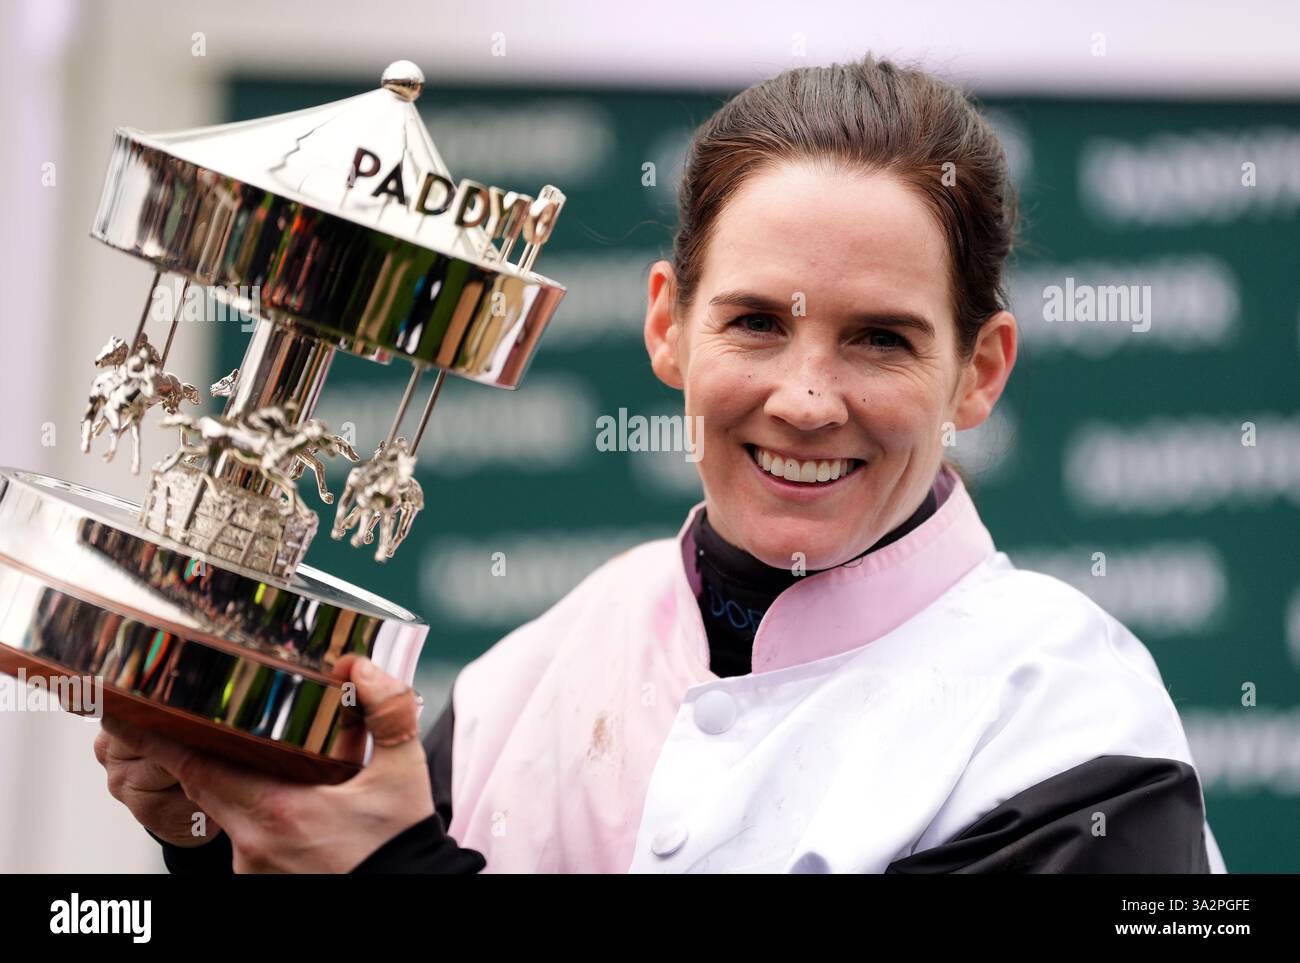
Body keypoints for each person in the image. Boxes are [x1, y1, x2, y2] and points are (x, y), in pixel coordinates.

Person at [96, 53, 1226, 874]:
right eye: (753, 324)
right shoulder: (534, 672)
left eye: (879, 338)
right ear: (666, 326)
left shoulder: (1071, 722)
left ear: (979, 370)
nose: (806, 398)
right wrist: (219, 832)